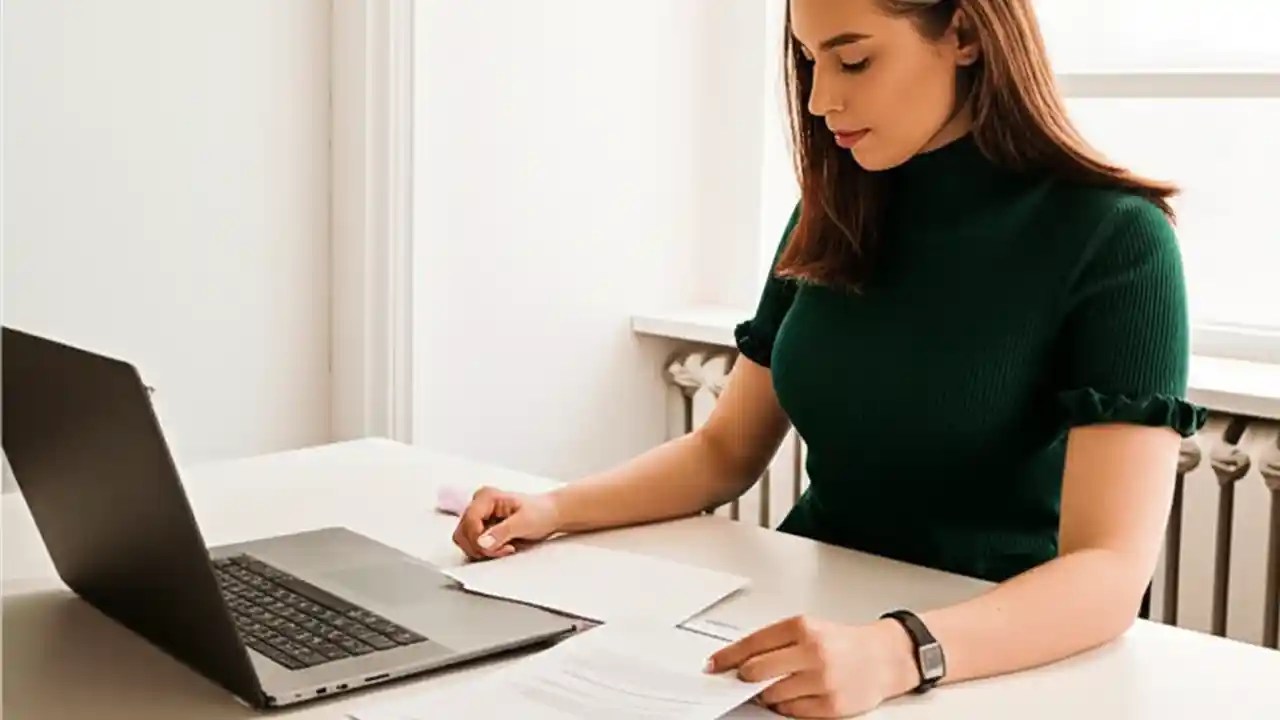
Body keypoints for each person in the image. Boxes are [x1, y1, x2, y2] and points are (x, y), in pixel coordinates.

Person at [453, 0, 1208, 716]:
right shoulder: (832, 210)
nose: (818, 100)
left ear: (967, 36)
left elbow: (1109, 572)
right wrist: (553, 510)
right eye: (809, 60)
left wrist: (896, 652)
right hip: (804, 629)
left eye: (853, 61)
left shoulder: (1117, 241)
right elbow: (722, 451)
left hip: (981, 660)